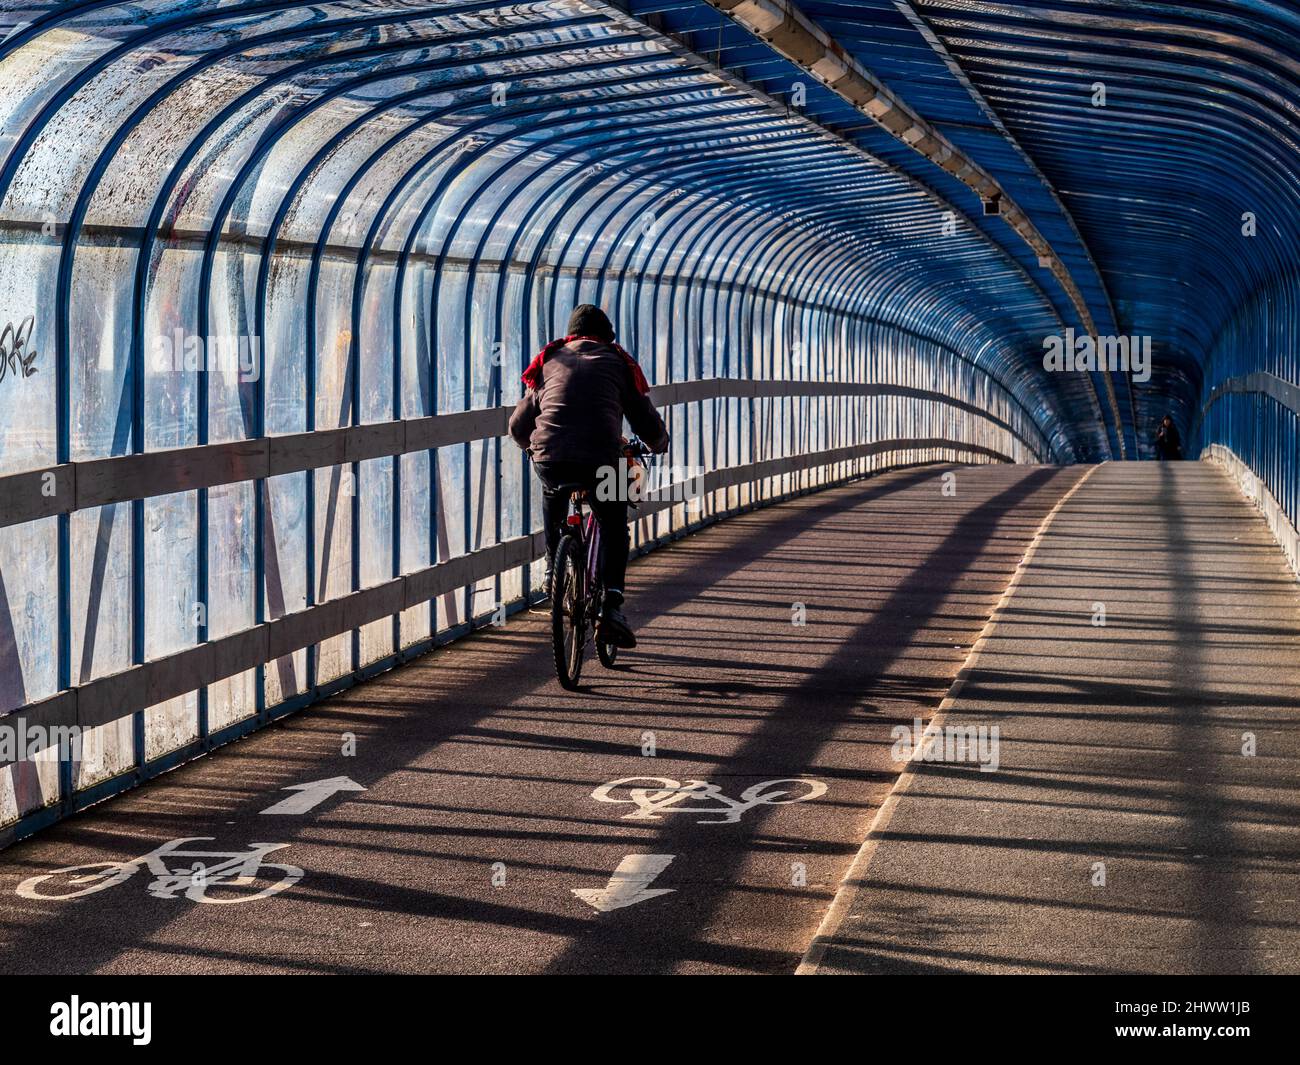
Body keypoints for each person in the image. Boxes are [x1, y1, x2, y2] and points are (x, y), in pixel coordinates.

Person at [509, 305, 669, 649]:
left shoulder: (550, 361)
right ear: (605, 336)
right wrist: (658, 443)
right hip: (601, 459)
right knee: (613, 525)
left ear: (571, 334)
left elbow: (518, 426)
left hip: (550, 457)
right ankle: (611, 606)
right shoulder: (617, 362)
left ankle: (554, 569)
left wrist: (531, 448)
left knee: (553, 499)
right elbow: (643, 417)